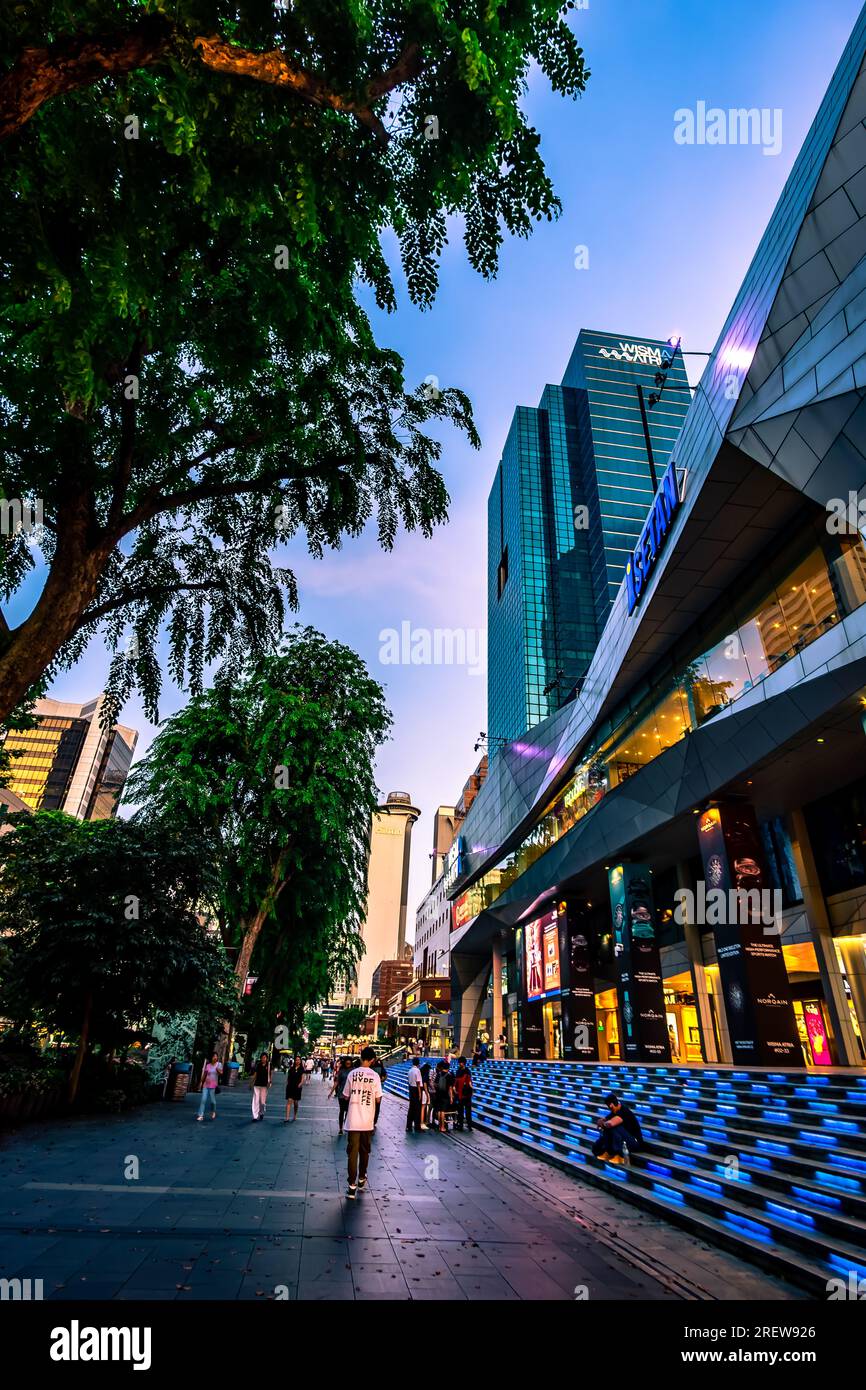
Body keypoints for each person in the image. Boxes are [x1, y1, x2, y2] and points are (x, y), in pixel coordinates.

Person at [343, 1046, 383, 1199]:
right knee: (365, 1151)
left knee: (352, 1153)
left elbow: (346, 1095)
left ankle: (351, 1186)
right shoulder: (375, 1076)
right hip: (367, 1121)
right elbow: (378, 1099)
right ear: (372, 1060)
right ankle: (362, 1178)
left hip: (353, 1119)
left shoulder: (352, 1074)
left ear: (360, 1057)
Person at [592, 1092, 644, 1165]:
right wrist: (600, 1122)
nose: (609, 1108)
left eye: (609, 1106)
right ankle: (608, 1152)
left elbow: (611, 1123)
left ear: (612, 1104)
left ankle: (620, 1156)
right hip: (626, 1141)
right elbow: (603, 1121)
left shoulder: (624, 1111)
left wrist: (603, 1124)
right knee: (606, 1131)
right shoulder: (614, 1112)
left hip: (635, 1142)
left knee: (614, 1127)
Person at [329, 1056, 353, 1135]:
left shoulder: (353, 1071)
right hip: (341, 1094)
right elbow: (336, 1082)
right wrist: (331, 1092)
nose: (348, 1064)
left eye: (349, 1062)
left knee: (348, 1111)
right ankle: (340, 1128)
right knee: (342, 1110)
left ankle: (346, 1125)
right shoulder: (341, 1071)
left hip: (351, 1094)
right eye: (347, 1062)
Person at [431, 1060, 455, 1133]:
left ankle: (439, 1125)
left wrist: (436, 1089)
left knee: (439, 1110)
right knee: (443, 1111)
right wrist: (451, 1097)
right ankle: (442, 1127)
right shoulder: (449, 1076)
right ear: (448, 1068)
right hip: (445, 1095)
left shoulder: (439, 1074)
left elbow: (434, 1084)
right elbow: (450, 1088)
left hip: (438, 1094)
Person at [196, 1052, 222, 1120]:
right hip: (206, 1085)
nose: (215, 1058)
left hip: (213, 1086)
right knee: (203, 1100)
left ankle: (213, 1111)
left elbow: (221, 1073)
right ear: (211, 1057)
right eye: (213, 1056)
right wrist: (200, 1083)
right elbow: (204, 1075)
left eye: (216, 1056)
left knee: (213, 1101)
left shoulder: (219, 1064)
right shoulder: (208, 1065)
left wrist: (217, 1069)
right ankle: (200, 1115)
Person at [453, 1056, 473, 1131]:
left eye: (460, 1062)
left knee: (464, 1111)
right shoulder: (466, 1071)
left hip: (464, 1094)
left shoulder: (464, 1071)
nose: (459, 1064)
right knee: (463, 1111)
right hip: (462, 1094)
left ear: (463, 1063)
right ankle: (464, 1125)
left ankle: (466, 1125)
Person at [406, 1055, 425, 1133]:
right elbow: (418, 1082)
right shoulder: (417, 1070)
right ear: (418, 1063)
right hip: (416, 1089)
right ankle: (417, 1126)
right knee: (417, 1109)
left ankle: (409, 1126)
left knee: (411, 1108)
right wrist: (420, 1093)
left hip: (411, 1089)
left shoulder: (410, 1070)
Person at [251, 1051, 271, 1121]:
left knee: (262, 1102)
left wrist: (270, 1082)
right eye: (262, 1058)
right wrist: (251, 1083)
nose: (263, 1059)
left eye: (265, 1058)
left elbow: (270, 1074)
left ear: (267, 1058)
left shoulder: (268, 1065)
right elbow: (255, 1074)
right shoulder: (258, 1065)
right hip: (257, 1084)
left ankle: (261, 1112)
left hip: (264, 1085)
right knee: (256, 1100)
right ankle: (255, 1116)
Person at [284, 1053, 305, 1122]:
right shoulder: (291, 1069)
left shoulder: (302, 1069)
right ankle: (287, 1118)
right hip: (290, 1086)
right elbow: (288, 1077)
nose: (297, 1061)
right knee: (289, 1100)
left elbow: (302, 1079)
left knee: (295, 1102)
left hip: (297, 1087)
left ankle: (295, 1115)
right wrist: (287, 1083)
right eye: (296, 1060)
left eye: (298, 1060)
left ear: (300, 1061)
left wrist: (300, 1084)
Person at [370, 1055, 387, 1127]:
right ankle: (371, 1121)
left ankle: (374, 1122)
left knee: (377, 1106)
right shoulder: (369, 1067)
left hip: (377, 1090)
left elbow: (385, 1075)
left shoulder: (380, 1066)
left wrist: (381, 1080)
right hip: (370, 1090)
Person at [419, 1060, 433, 1130]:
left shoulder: (420, 1074)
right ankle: (422, 1123)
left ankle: (420, 1122)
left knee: (421, 1107)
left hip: (421, 1091)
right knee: (423, 1108)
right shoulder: (425, 1075)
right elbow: (425, 1084)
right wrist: (427, 1094)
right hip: (424, 1092)